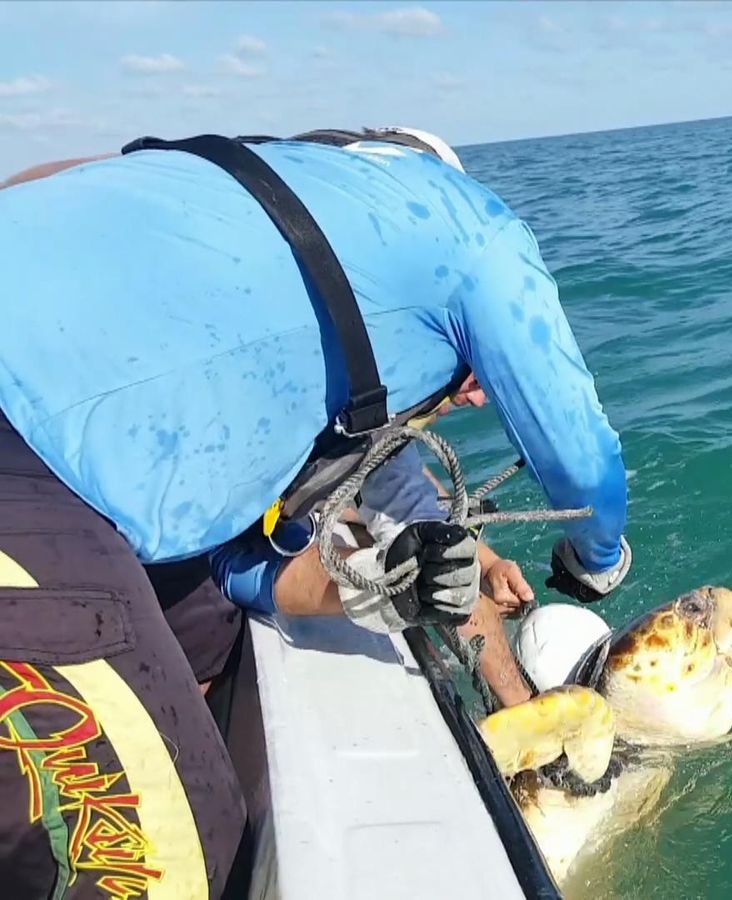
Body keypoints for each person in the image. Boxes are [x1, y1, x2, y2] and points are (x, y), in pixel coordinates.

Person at [0, 126, 632, 897]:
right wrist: (596, 562)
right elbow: (583, 468)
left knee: (201, 629)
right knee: (170, 857)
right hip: (20, 458)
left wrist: (376, 588)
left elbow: (231, 566)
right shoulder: (458, 220)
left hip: (55, 461)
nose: (471, 390)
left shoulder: (234, 290)